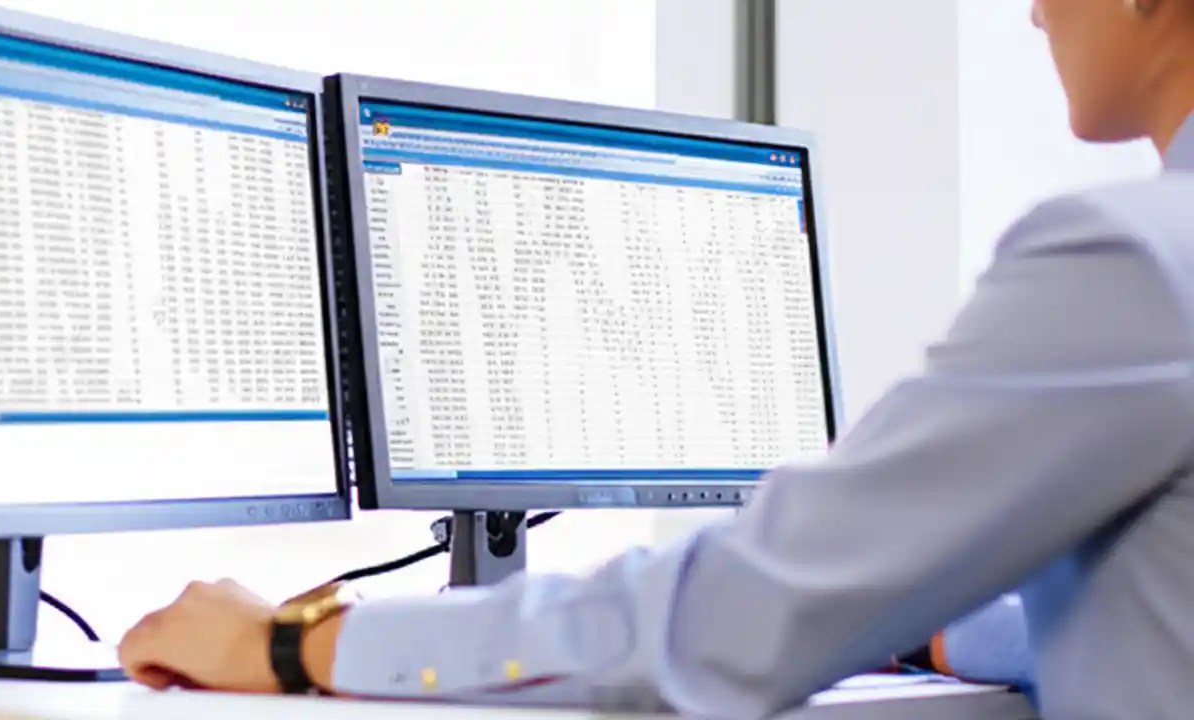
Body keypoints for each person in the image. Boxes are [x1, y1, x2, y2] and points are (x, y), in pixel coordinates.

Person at [116, 0, 1194, 717]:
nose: (1036, 8)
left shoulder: (1129, 262)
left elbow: (730, 619)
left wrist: (297, 644)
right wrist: (911, 613)